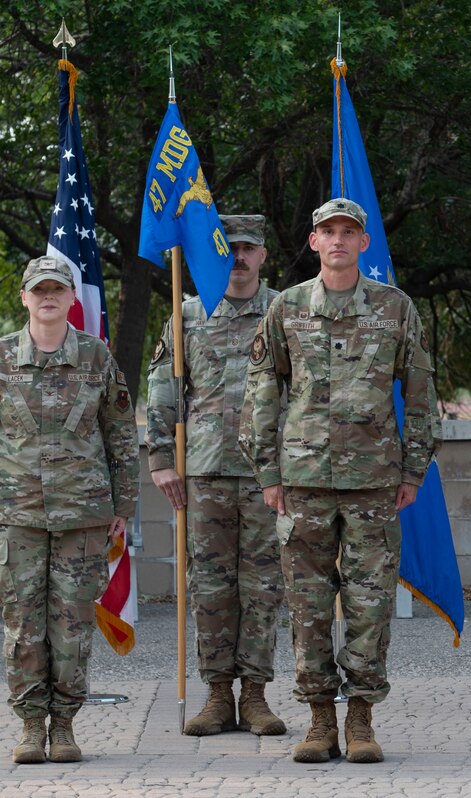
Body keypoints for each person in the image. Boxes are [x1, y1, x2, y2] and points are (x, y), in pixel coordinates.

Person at [240, 197, 441, 764]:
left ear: (363, 242)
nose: (337, 240)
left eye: (348, 232)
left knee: (369, 604)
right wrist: (267, 472)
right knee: (307, 605)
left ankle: (360, 719)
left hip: (374, 481)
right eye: (328, 231)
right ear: (313, 242)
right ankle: (320, 720)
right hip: (302, 481)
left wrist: (414, 468)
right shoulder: (286, 309)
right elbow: (261, 392)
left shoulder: (395, 308)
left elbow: (421, 392)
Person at [0, 255, 140, 765]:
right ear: (25, 298)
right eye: (39, 290)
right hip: (15, 515)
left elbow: (121, 437)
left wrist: (124, 504)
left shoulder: (97, 358)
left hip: (83, 516)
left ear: (72, 297)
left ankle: (65, 726)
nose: (49, 297)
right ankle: (32, 725)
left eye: (58, 289)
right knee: (23, 625)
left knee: (72, 626)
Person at [145, 214, 286, 737]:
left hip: (269, 473)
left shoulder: (285, 312)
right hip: (203, 470)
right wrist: (161, 460)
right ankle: (218, 695)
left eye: (249, 248)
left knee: (264, 586)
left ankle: (255, 696)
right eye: (230, 247)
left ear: (263, 255)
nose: (239, 258)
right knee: (209, 586)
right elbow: (163, 390)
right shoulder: (187, 314)